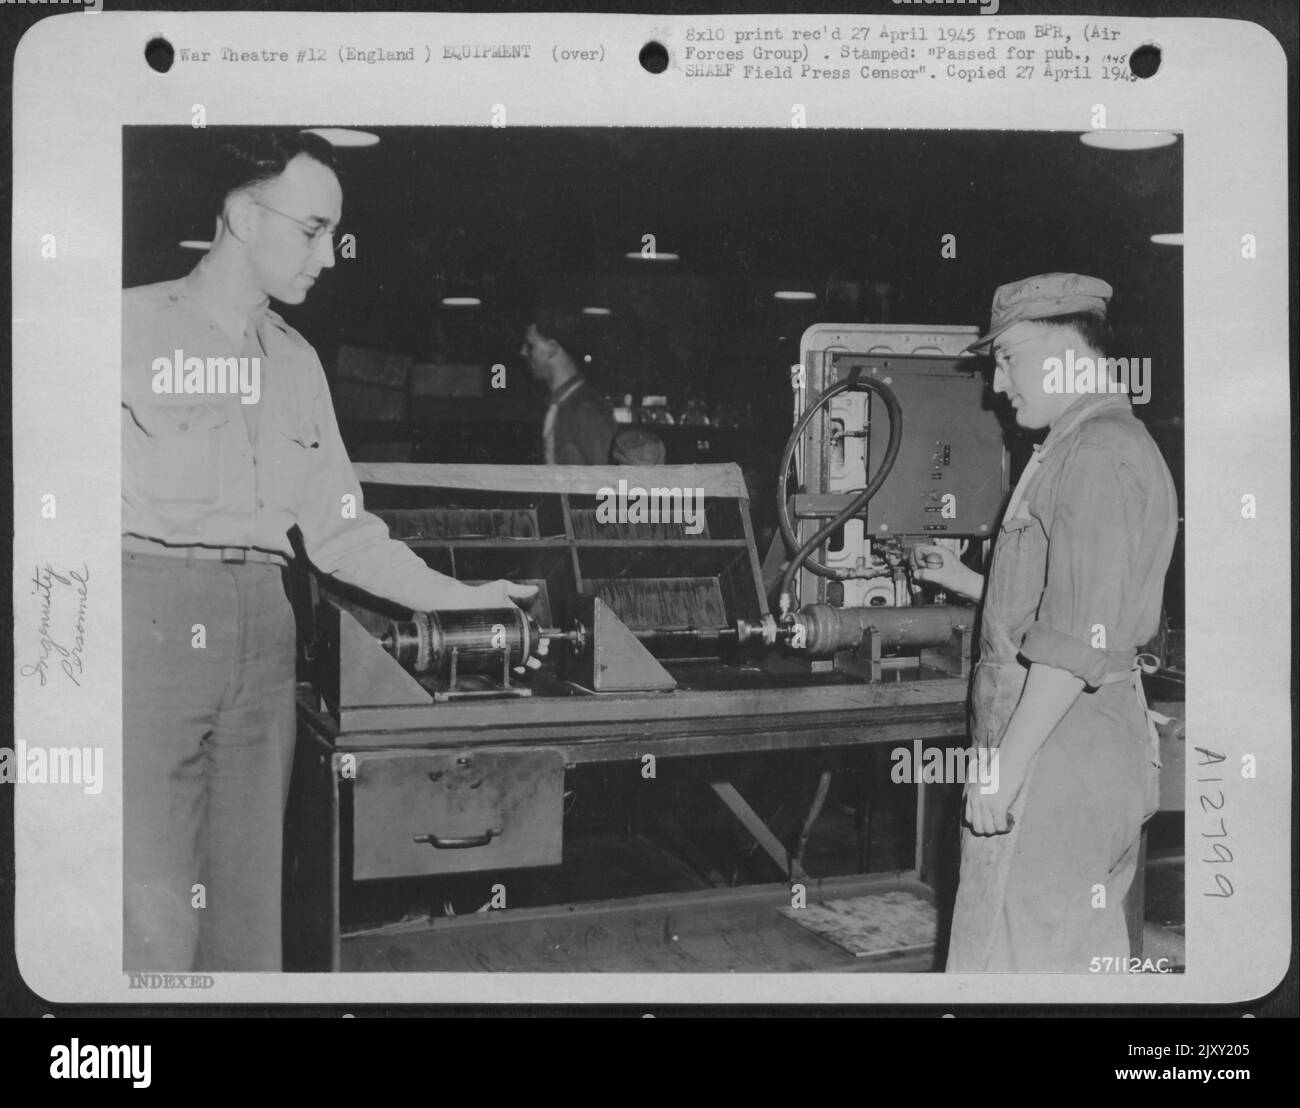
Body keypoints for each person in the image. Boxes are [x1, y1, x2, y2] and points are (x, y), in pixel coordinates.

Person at [121, 130, 536, 972]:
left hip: (268, 629)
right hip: (149, 619)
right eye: (313, 229)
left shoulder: (299, 362)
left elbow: (341, 529)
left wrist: (460, 598)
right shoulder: (124, 327)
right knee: (147, 913)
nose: (330, 255)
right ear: (242, 214)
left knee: (246, 911)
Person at [911, 273, 1178, 972]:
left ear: (1066, 349)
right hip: (1077, 745)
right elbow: (1064, 603)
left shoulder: (1094, 456)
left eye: (1008, 358)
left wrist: (1004, 769)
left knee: (1012, 970)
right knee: (1072, 967)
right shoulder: (1079, 444)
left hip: (1058, 752)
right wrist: (965, 580)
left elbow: (1070, 648)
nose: (998, 384)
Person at [520, 308, 616, 464]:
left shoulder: (586, 410)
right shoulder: (558, 404)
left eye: (530, 346)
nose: (523, 352)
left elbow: (611, 482)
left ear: (552, 349)